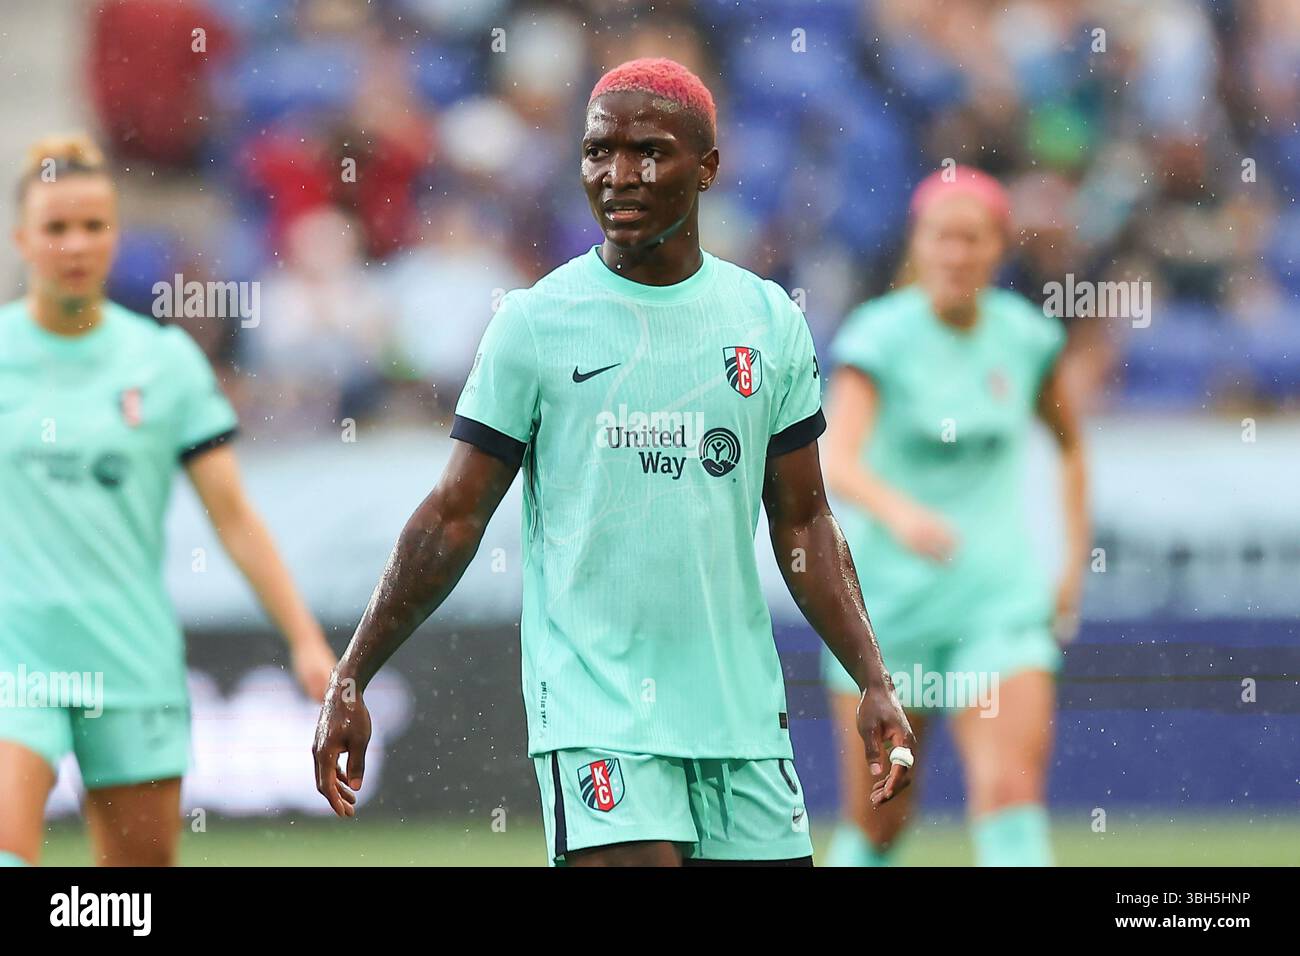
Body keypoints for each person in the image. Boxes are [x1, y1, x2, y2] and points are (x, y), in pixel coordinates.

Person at [313, 57, 914, 866]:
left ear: (707, 170)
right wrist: (354, 673)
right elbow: (452, 517)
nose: (618, 176)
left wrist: (872, 675)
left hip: (739, 715)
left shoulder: (768, 322)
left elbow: (803, 518)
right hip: (598, 715)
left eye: (650, 153)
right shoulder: (534, 323)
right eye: (600, 152)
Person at [0, 135, 336, 867]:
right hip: (14, 660)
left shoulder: (164, 363)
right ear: (24, 238)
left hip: (131, 658)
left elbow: (235, 519)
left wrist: (306, 641)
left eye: (93, 225)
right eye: (56, 227)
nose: (75, 243)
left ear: (116, 235)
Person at [820, 166, 1089, 866]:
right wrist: (901, 514)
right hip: (885, 615)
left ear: (1000, 247)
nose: (956, 254)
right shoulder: (877, 336)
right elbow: (837, 461)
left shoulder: (1027, 339)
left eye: (973, 239)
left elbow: (1070, 451)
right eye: (942, 238)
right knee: (880, 821)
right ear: (919, 244)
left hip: (995, 605)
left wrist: (1070, 567)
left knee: (1008, 793)